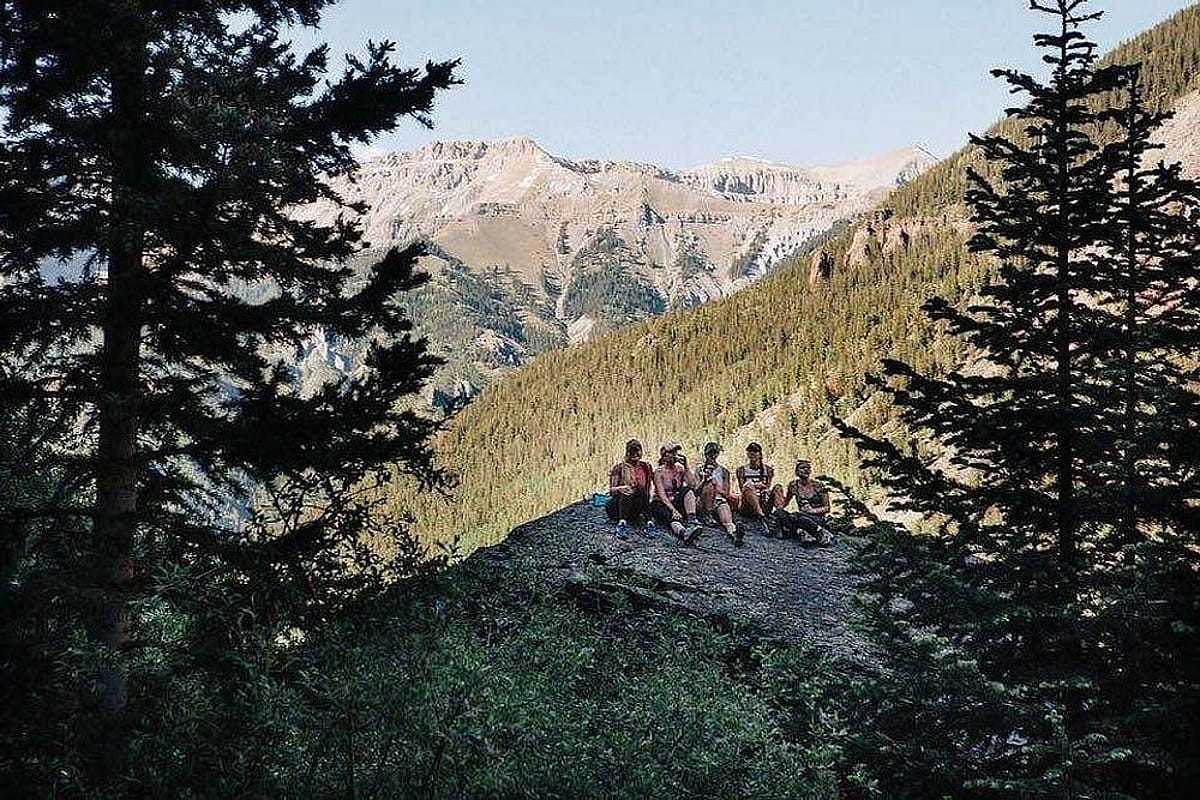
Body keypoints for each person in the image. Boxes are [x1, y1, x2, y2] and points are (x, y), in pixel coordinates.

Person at [651, 442, 702, 544]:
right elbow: (662, 495)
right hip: (662, 503)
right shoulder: (659, 472)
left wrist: (686, 466)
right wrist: (673, 510)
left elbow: (693, 485)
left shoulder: (679, 468)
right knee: (672, 517)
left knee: (688, 490)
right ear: (664, 456)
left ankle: (692, 520)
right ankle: (684, 533)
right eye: (671, 453)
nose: (674, 455)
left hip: (676, 499)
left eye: (675, 452)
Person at [695, 441, 743, 546]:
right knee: (709, 485)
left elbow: (726, 492)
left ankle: (734, 533)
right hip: (703, 500)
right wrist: (704, 481)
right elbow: (696, 491)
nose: (712, 456)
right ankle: (707, 514)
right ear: (706, 454)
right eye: (710, 454)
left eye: (714, 453)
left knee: (727, 519)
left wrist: (715, 487)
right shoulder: (699, 469)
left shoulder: (724, 471)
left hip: (718, 500)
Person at [778, 459, 833, 544]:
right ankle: (801, 532)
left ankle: (820, 533)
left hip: (816, 517)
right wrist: (778, 509)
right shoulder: (793, 485)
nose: (806, 469)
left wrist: (812, 511)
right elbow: (786, 502)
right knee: (783, 514)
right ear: (796, 472)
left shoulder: (818, 486)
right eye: (802, 468)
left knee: (799, 517)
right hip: (800, 516)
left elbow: (827, 508)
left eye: (808, 468)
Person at [607, 438, 654, 538]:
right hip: (619, 505)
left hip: (635, 506)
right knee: (628, 491)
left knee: (640, 490)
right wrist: (621, 488)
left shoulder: (646, 467)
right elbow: (611, 491)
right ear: (627, 453)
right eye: (631, 451)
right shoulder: (619, 468)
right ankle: (622, 524)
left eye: (637, 451)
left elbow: (648, 487)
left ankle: (649, 523)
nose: (634, 454)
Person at [736, 441, 785, 534]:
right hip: (747, 504)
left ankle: (781, 514)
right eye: (750, 451)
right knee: (748, 485)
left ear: (760, 454)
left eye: (755, 451)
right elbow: (743, 489)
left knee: (778, 487)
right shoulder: (741, 470)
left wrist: (766, 490)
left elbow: (768, 486)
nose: (752, 453)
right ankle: (761, 516)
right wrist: (755, 486)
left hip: (763, 500)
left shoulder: (768, 470)